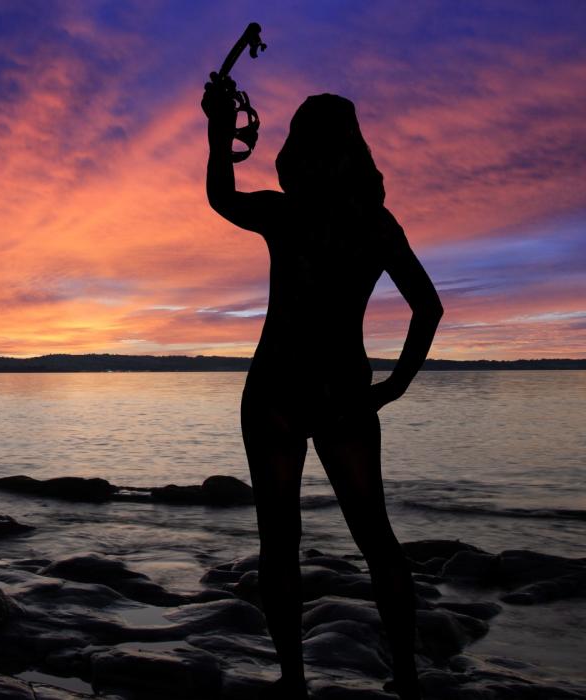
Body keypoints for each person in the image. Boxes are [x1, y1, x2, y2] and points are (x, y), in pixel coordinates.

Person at [201, 75, 443, 700]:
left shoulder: (287, 214)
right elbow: (428, 308)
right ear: (355, 148)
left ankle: (293, 682)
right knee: (377, 541)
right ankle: (408, 680)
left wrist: (218, 126)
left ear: (298, 149)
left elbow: (221, 197)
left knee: (279, 545)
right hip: (343, 393)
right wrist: (393, 388)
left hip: (276, 388)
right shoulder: (375, 223)